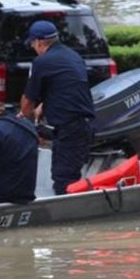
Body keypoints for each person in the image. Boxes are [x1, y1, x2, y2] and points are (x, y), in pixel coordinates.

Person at [19, 20, 95, 194]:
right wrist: (44, 106)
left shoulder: (42, 62)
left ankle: (68, 218)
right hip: (84, 126)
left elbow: (28, 101)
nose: (33, 48)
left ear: (38, 42)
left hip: (70, 129)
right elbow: (67, 88)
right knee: (69, 174)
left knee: (63, 180)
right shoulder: (74, 56)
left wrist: (24, 117)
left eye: (33, 44)